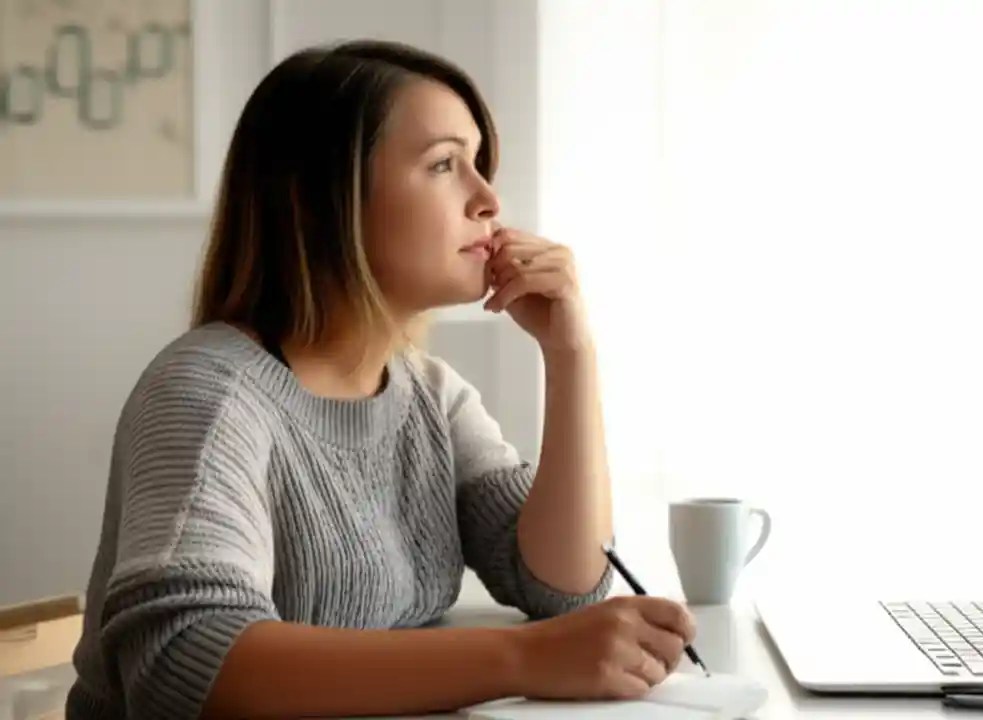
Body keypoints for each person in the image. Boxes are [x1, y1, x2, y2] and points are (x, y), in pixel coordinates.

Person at [66, 40, 696, 719]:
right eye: (444, 164)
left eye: (479, 164)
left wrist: (570, 352)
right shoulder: (209, 397)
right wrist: (524, 658)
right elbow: (185, 657)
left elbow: (561, 583)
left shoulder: (428, 394)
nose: (488, 199)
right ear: (321, 201)